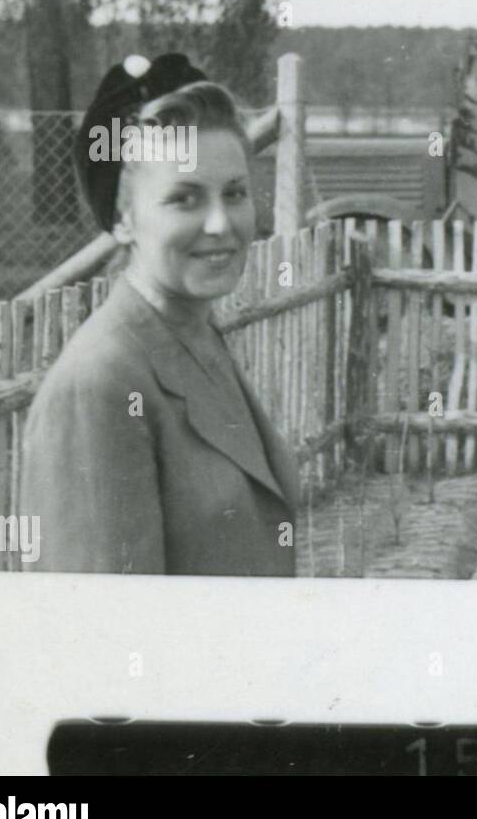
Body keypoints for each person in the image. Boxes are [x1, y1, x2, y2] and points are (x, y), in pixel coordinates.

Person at [20, 54, 298, 575]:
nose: (221, 223)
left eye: (234, 193)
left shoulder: (196, 335)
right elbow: (105, 635)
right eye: (184, 199)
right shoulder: (98, 386)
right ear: (124, 221)